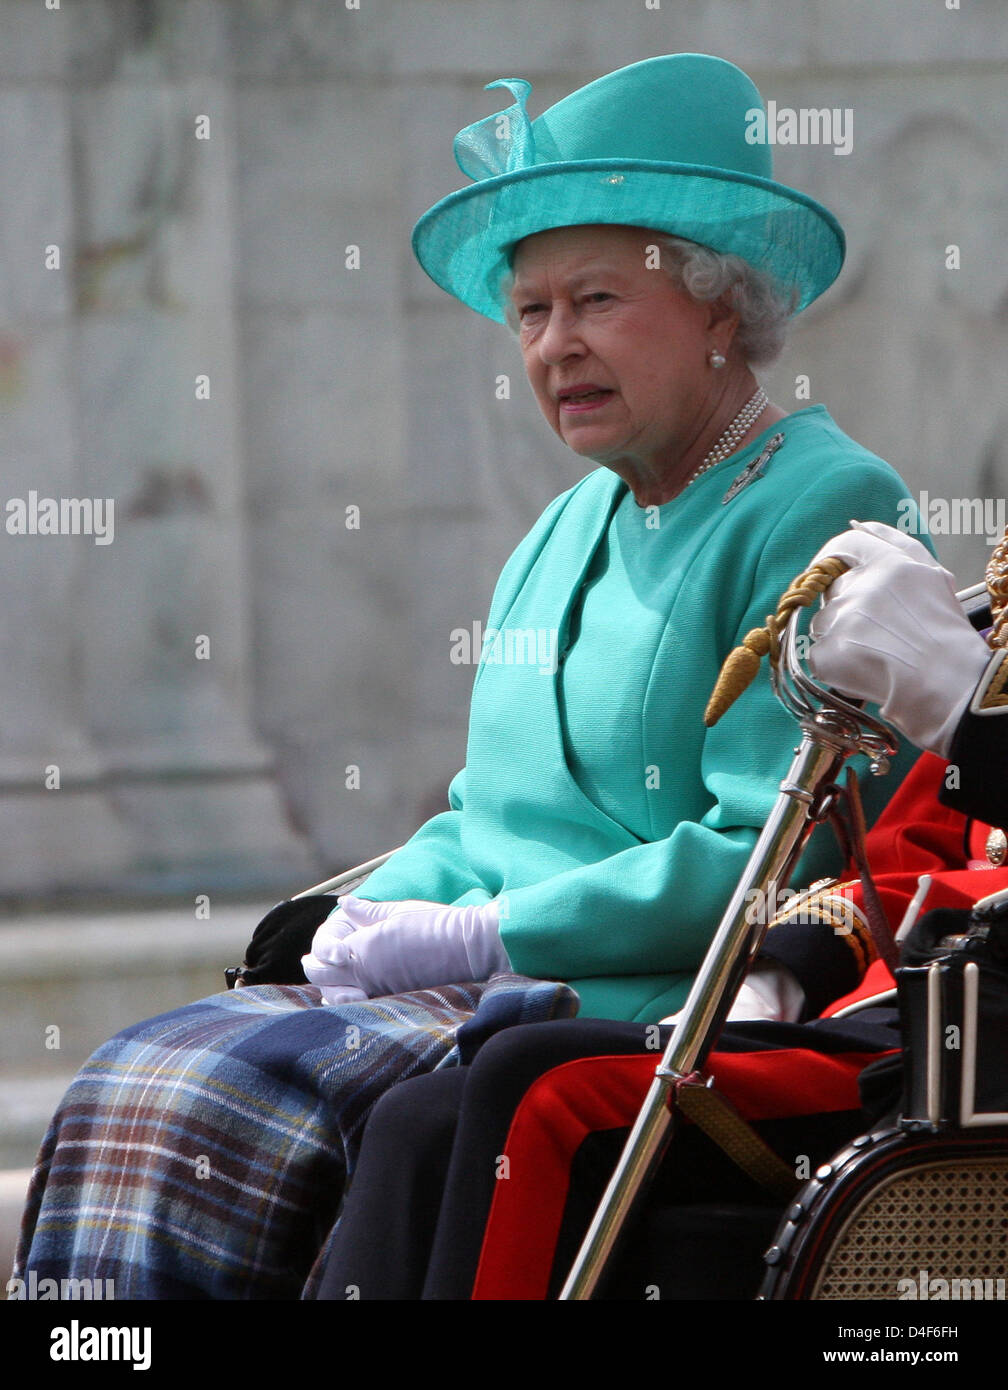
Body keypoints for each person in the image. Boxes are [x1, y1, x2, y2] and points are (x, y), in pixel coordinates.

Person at [16, 54, 922, 1300]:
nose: (556, 345)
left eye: (597, 298)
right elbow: (483, 812)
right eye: (531, 310)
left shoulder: (825, 503)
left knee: (222, 1098)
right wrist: (364, 919)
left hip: (643, 1013)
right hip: (481, 988)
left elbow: (782, 852)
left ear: (722, 303)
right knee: (143, 1070)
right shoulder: (561, 529)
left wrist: (493, 929)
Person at [312, 521, 1008, 1300]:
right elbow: (917, 852)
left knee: (539, 1081)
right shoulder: (565, 526)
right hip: (901, 998)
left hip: (966, 1041)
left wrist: (968, 720)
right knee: (415, 1119)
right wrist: (792, 959)